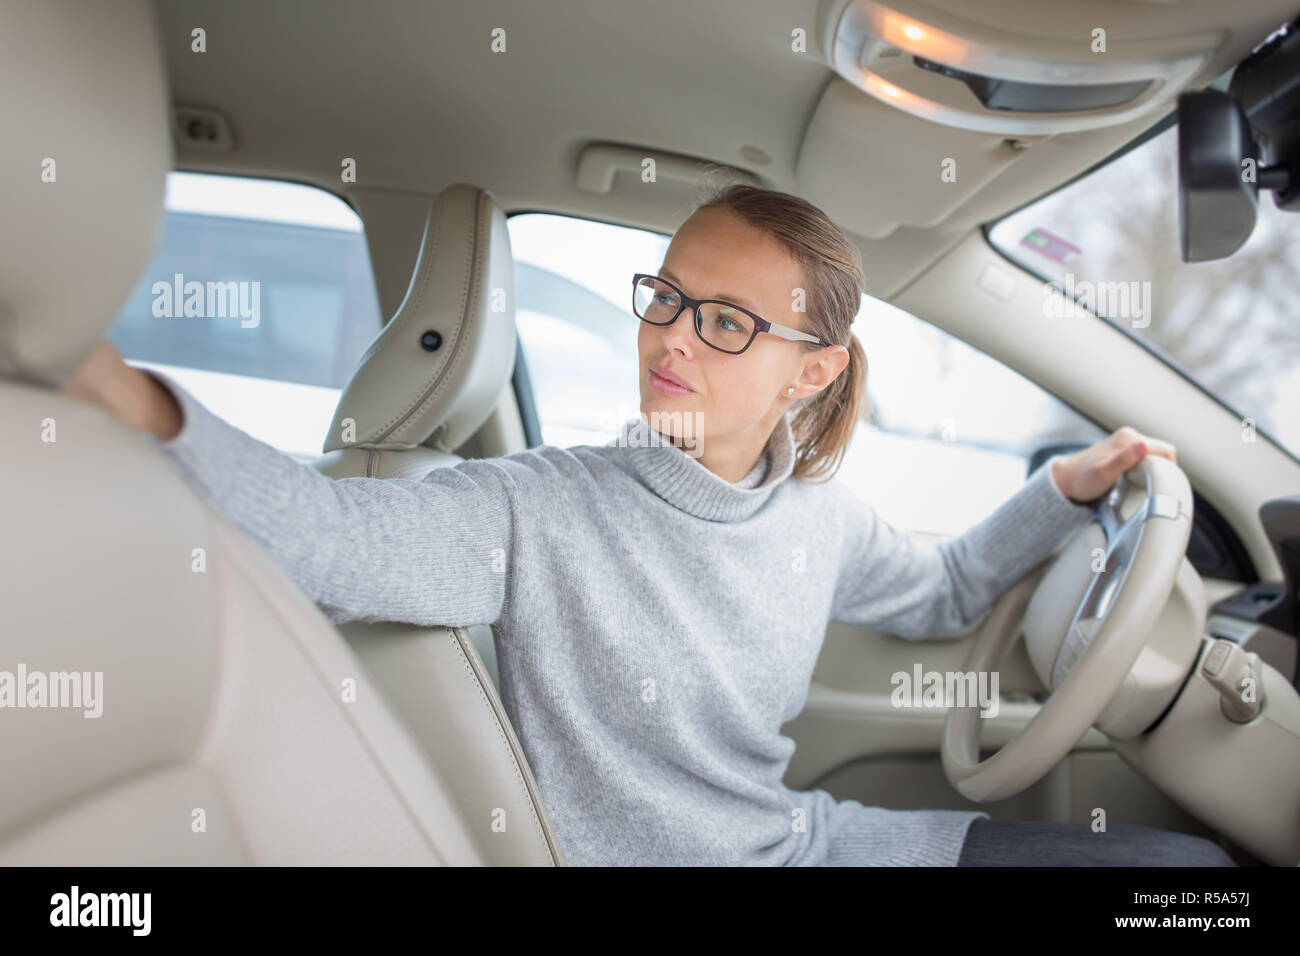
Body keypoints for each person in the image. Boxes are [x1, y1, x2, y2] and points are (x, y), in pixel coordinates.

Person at [60, 183, 1232, 867]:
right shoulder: (537, 507)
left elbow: (935, 591)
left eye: (725, 321)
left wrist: (1062, 494)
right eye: (665, 297)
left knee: (1189, 880)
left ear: (809, 374)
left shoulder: (810, 513)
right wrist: (129, 394)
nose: (670, 335)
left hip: (812, 845)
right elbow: (321, 538)